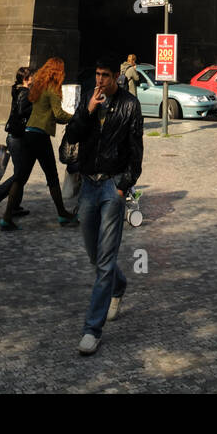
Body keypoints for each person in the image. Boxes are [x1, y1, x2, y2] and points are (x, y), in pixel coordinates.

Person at [65, 55, 143, 355]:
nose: (99, 81)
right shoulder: (89, 99)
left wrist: (124, 186)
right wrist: (86, 112)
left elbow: (136, 151)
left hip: (112, 186)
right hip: (88, 184)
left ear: (116, 78)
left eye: (105, 76)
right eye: (97, 75)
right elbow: (72, 135)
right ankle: (118, 285)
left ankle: (91, 329)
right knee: (93, 253)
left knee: (105, 260)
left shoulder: (129, 105)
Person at [0, 58, 78, 230]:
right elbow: (58, 114)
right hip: (40, 136)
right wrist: (75, 118)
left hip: (28, 134)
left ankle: (6, 217)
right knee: (52, 176)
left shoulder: (38, 86)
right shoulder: (52, 88)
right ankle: (62, 214)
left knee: (20, 178)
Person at [0, 66, 33, 218]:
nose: (35, 78)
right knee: (20, 174)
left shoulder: (18, 90)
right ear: (26, 79)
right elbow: (22, 111)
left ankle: (14, 205)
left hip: (16, 136)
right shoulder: (25, 93)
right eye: (32, 76)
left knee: (22, 172)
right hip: (17, 137)